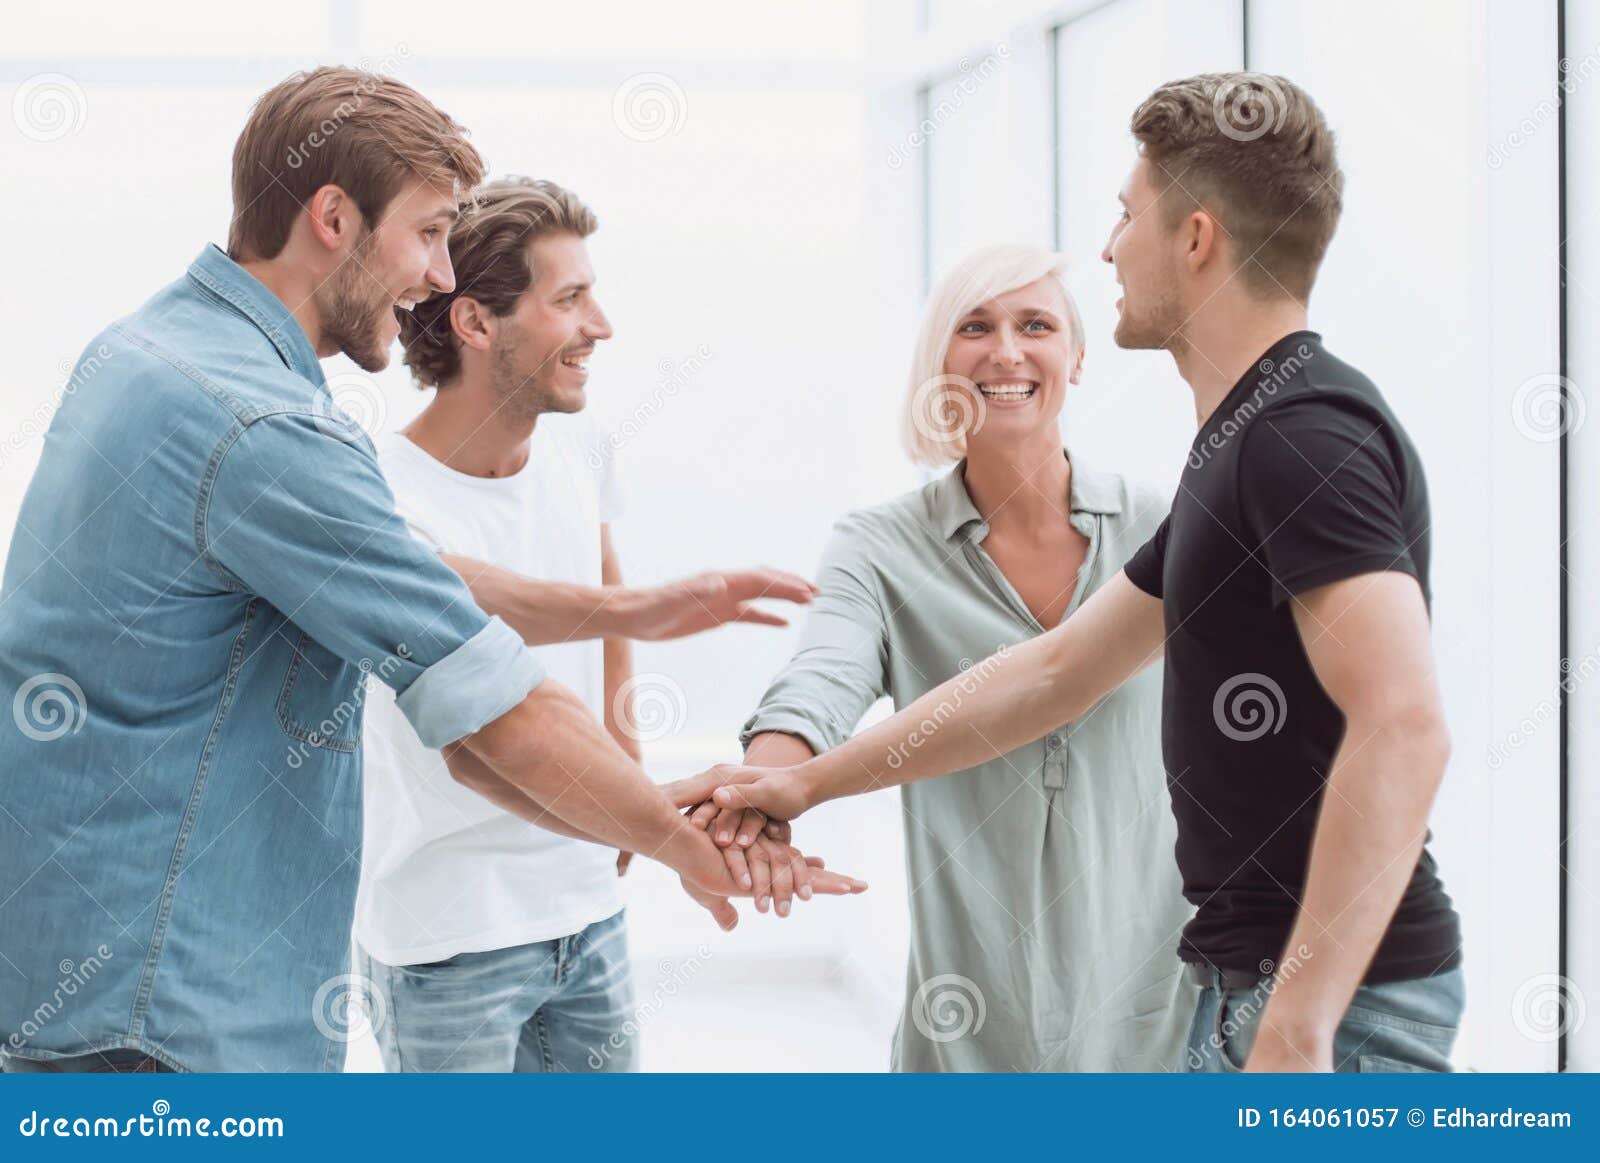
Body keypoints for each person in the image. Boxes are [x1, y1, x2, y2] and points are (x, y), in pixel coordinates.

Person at [0, 68, 850, 1074]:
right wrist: (684, 837)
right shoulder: (266, 428)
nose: (441, 277)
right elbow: (496, 712)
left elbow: (396, 580)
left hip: (88, 976)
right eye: (427, 232)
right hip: (164, 1016)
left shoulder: (148, 353)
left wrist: (635, 614)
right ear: (332, 218)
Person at [680, 72, 1464, 1074]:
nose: (1109, 248)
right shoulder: (1237, 451)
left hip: (1324, 1013)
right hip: (1248, 993)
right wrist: (799, 785)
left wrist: (1298, 1023)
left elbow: (1405, 723)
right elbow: (1054, 675)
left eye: (1126, 215)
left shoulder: (1297, 438)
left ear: (1196, 238)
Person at [353, 177, 860, 1074]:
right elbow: (482, 737)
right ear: (474, 323)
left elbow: (605, 628)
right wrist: (655, 829)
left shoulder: (581, 447)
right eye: (570, 299)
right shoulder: (384, 497)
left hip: (586, 909)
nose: (602, 325)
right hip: (450, 931)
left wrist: (627, 800)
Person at [690, 244, 1193, 1070]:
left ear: (1076, 355)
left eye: (1036, 324)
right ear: (939, 361)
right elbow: (818, 683)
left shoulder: (1166, 527)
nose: (1006, 351)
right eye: (975, 326)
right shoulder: (880, 547)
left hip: (1154, 1030)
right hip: (964, 1038)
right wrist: (755, 795)